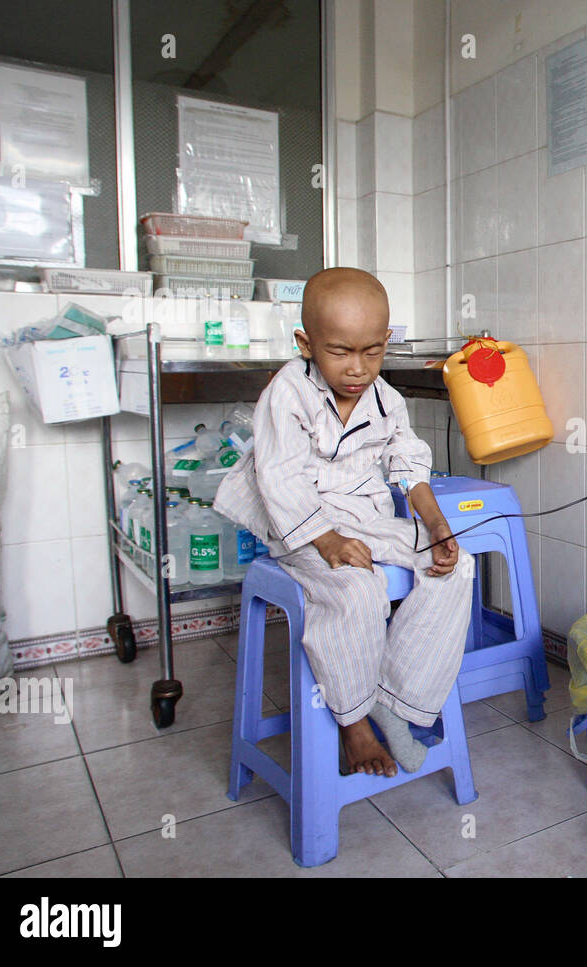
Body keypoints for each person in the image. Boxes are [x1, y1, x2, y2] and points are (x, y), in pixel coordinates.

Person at [215, 267, 472, 778]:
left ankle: (396, 703)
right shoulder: (288, 392)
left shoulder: (386, 399)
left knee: (456, 567)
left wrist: (438, 527)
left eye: (372, 351)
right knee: (356, 590)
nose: (358, 368)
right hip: (299, 521)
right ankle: (354, 725)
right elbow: (282, 479)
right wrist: (327, 540)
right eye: (340, 352)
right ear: (306, 343)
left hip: (362, 515)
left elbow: (410, 468)